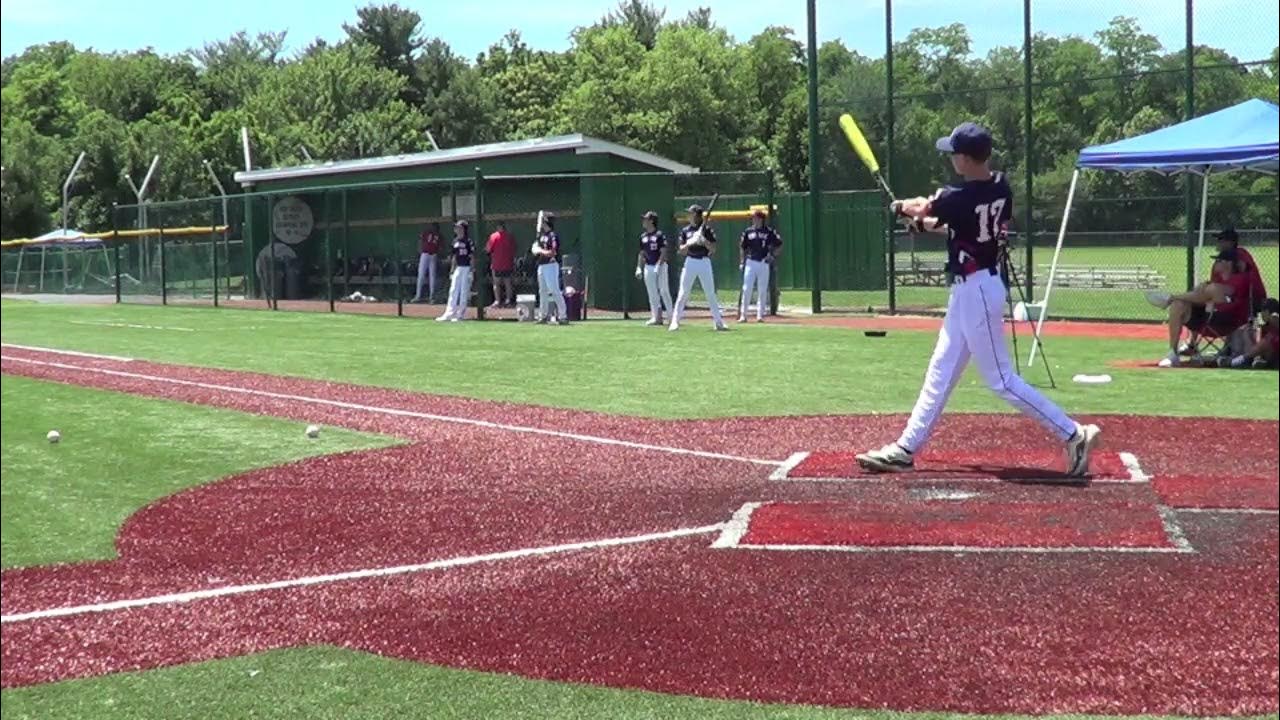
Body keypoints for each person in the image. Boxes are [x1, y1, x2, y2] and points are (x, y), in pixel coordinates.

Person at [856, 121, 1100, 477]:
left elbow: (928, 208)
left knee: (1000, 379)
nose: (951, 158)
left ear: (967, 159)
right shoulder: (1000, 185)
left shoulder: (958, 196)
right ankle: (906, 448)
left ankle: (1073, 433)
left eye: (954, 153)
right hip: (972, 288)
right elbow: (958, 222)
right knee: (940, 371)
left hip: (977, 291)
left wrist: (900, 208)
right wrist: (924, 222)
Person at [1146, 250, 1253, 367]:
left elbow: (1211, 294)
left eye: (1218, 261)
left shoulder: (1239, 280)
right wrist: (1200, 290)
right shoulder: (1217, 280)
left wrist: (1203, 291)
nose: (1215, 264)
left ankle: (1169, 298)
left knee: (1209, 290)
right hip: (1205, 319)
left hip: (1224, 322)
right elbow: (1203, 297)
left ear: (1228, 264)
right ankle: (1172, 353)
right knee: (1178, 304)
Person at [669, 204, 728, 332]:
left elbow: (713, 249)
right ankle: (674, 322)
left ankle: (718, 322)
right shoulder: (685, 231)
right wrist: (691, 242)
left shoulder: (707, 230)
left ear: (696, 215)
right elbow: (681, 251)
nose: (688, 216)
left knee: (710, 293)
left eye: (690, 213)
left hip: (704, 262)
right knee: (683, 293)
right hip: (690, 261)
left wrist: (703, 241)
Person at [738, 209, 783, 323]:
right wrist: (742, 262)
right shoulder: (748, 231)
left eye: (756, 218)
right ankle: (743, 315)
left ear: (761, 219)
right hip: (751, 262)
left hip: (763, 263)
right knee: (747, 289)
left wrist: (772, 256)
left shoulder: (769, 231)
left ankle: (760, 316)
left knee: (762, 290)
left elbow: (779, 244)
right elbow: (742, 247)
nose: (754, 220)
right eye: (753, 218)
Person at [634, 211, 673, 326]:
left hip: (660, 267)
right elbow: (641, 253)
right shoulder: (643, 237)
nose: (643, 221)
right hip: (648, 267)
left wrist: (658, 264)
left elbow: (663, 251)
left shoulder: (659, 235)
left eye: (646, 219)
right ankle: (656, 317)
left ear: (651, 221)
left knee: (664, 291)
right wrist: (638, 267)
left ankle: (671, 318)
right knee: (652, 293)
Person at [532, 212, 568, 325]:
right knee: (542, 291)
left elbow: (553, 252)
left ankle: (563, 316)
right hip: (541, 266)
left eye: (543, 220)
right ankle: (542, 316)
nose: (541, 223)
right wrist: (535, 249)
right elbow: (538, 250)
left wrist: (540, 251)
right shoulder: (542, 236)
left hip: (551, 266)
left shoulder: (553, 236)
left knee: (554, 290)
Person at [1226, 298, 1279, 369]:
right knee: (1248, 332)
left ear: (1266, 311)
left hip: (1274, 351)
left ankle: (1240, 360)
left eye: (1262, 312)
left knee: (1268, 338)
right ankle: (1250, 359)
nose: (1261, 315)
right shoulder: (1268, 325)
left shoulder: (1274, 318)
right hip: (1270, 352)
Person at [438, 220, 474, 322]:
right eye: (456, 227)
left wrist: (471, 271)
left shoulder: (468, 241)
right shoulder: (455, 241)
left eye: (458, 227)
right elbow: (454, 257)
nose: (456, 229)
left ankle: (460, 315)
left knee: (463, 292)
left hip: (466, 268)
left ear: (463, 229)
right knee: (453, 290)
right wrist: (452, 270)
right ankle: (449, 313)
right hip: (458, 268)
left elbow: (472, 257)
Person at [486, 220, 516, 308]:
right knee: (507, 283)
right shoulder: (509, 236)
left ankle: (497, 301)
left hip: (497, 264)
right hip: (508, 263)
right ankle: (508, 301)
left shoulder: (493, 236)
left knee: (496, 283)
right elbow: (514, 249)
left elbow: (488, 249)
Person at [412, 223, 441, 303]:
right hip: (425, 254)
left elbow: (440, 247)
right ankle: (418, 296)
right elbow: (420, 241)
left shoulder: (439, 235)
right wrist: (420, 251)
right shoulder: (427, 232)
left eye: (435, 227)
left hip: (433, 255)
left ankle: (432, 296)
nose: (434, 228)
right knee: (421, 275)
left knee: (432, 276)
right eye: (433, 227)